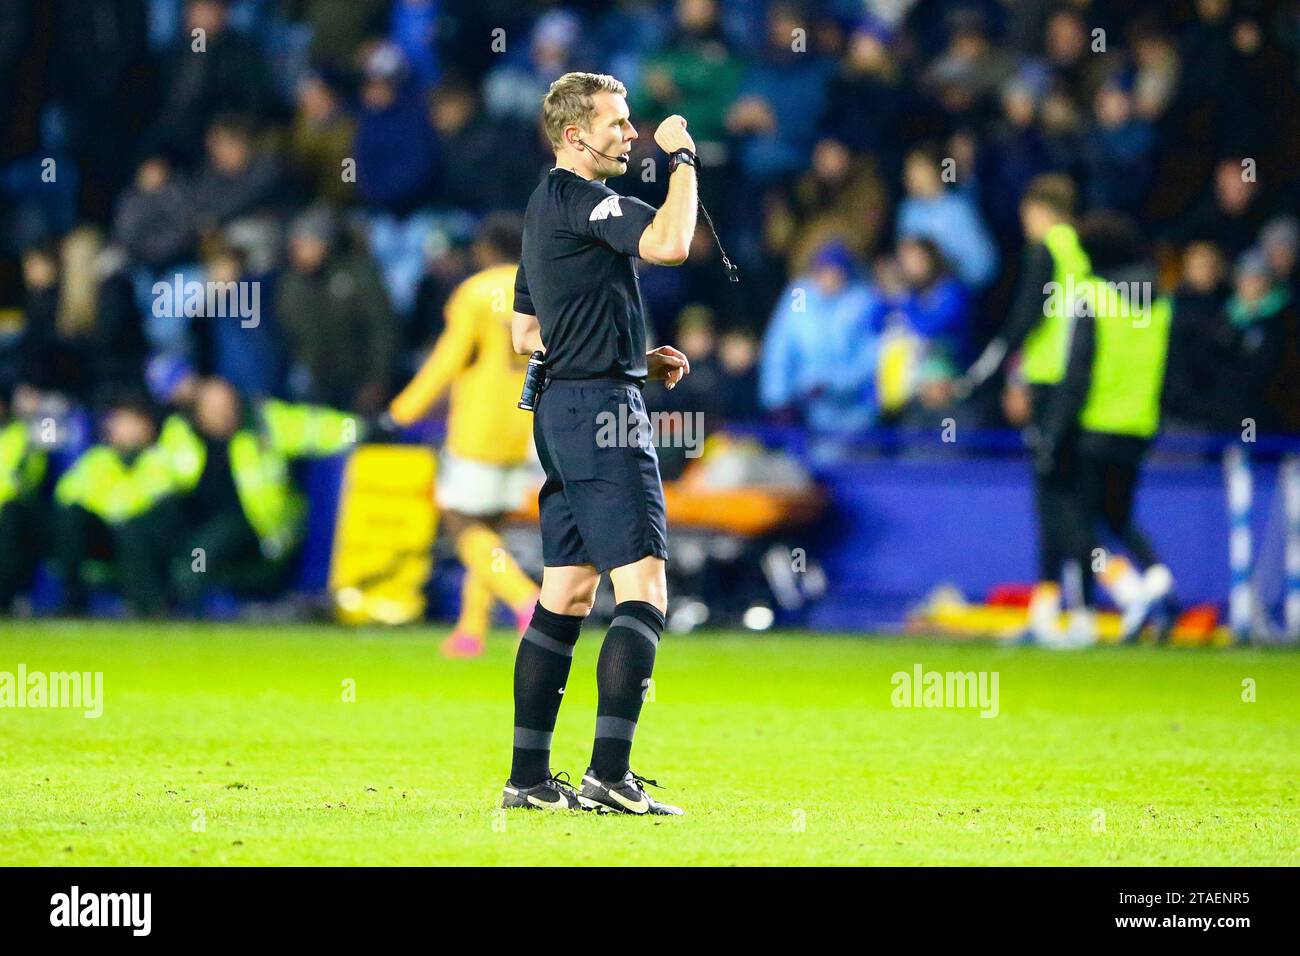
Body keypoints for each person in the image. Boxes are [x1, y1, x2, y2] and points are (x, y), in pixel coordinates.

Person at [505, 72, 695, 814]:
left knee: (567, 591)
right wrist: (683, 161)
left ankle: (527, 780)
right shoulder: (589, 200)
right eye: (617, 123)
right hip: (602, 414)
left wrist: (626, 356)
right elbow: (671, 243)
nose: (632, 133)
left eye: (633, 121)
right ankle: (609, 776)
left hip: (562, 406)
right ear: (573, 136)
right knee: (643, 586)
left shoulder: (541, 207)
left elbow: (527, 331)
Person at [387, 213, 541, 658]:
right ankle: (470, 631)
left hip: (479, 427)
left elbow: (448, 359)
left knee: (459, 523)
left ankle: (525, 599)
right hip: (524, 425)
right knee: (487, 529)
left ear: (484, 249)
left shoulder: (475, 293)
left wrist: (402, 412)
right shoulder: (543, 285)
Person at [952, 174, 1092, 643]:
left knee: (1052, 497)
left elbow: (1027, 317)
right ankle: (1063, 606)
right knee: (1069, 492)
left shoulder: (1047, 248)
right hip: (1083, 383)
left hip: (1052, 386)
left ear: (1041, 210)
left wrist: (986, 372)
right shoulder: (1084, 252)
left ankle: (1078, 603)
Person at [1047, 212, 1176, 645]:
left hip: (1094, 427)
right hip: (1137, 428)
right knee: (1118, 516)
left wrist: (1053, 433)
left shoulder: (1093, 296)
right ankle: (1157, 579)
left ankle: (1107, 605)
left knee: (1079, 527)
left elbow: (1077, 371)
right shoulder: (1158, 301)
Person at [158, 378, 361, 606]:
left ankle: (195, 605)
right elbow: (161, 476)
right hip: (198, 526)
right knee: (194, 557)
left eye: (228, 405)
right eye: (214, 409)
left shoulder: (262, 424)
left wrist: (360, 429)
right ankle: (190, 604)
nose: (225, 414)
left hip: (257, 526)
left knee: (200, 559)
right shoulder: (179, 434)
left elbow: (318, 428)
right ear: (198, 412)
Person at [53, 395, 177, 616]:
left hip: (145, 538)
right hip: (103, 536)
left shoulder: (160, 459)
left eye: (131, 422)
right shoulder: (96, 459)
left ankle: (148, 607)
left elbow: (160, 500)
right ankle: (70, 599)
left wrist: (120, 514)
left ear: (147, 426)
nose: (123, 428)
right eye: (119, 421)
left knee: (135, 528)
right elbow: (67, 495)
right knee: (71, 518)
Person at [0, 390, 47, 613]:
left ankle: (10, 597)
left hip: (16, 510)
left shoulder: (26, 432)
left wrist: (39, 415)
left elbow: (52, 442)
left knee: (10, 519)